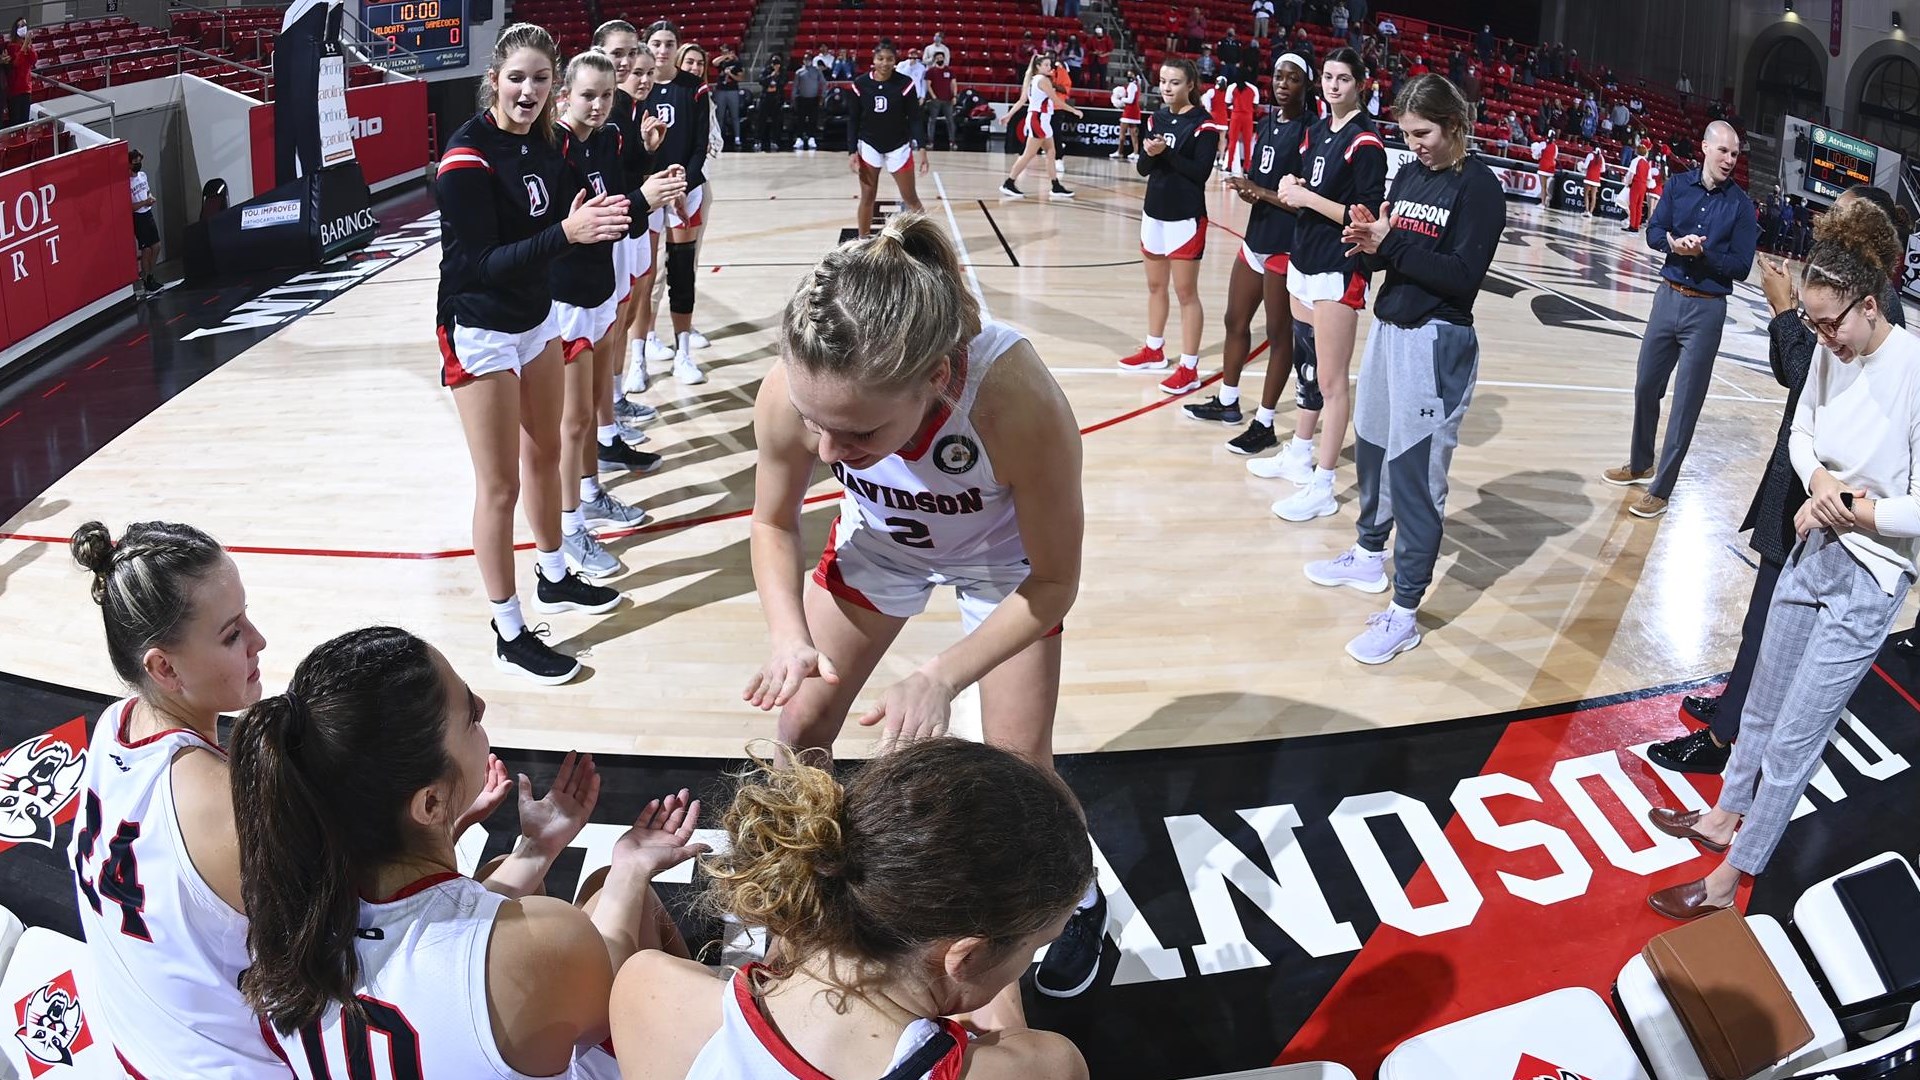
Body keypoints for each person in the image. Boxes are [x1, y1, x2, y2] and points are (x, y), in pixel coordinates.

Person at [229, 625, 707, 1072]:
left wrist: (537, 849)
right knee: (618, 903)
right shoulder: (535, 947)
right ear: (431, 802)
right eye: (469, 715)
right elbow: (619, 989)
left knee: (505, 870)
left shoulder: (285, 918)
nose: (482, 705)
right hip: (575, 989)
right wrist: (630, 869)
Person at [1645, 205, 1920, 920]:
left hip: (1872, 575)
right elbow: (1802, 431)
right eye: (1812, 324)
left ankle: (1728, 881)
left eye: (1832, 323)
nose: (1823, 338)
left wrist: (1852, 510)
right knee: (1762, 704)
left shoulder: (1915, 369)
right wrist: (1822, 483)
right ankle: (1723, 816)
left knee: (1797, 735)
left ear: (1870, 304)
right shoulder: (1831, 347)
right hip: (1814, 546)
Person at [611, 739, 1094, 1078]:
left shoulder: (649, 990)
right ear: (965, 957)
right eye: (1036, 945)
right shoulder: (1040, 1066)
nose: (1025, 965)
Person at [436, 22, 628, 684]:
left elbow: (575, 196)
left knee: (545, 454)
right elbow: (484, 263)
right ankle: (510, 629)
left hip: (536, 317)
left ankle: (553, 575)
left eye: (541, 79)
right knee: (500, 484)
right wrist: (567, 233)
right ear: (494, 80)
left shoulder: (548, 142)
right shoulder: (465, 159)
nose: (528, 89)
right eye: (517, 77)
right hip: (480, 324)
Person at [63, 521, 286, 1077]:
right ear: (163, 667)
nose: (259, 640)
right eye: (232, 634)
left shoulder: (115, 722)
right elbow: (347, 945)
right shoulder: (222, 800)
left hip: (136, 1045)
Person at [1301, 73, 1505, 664]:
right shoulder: (1413, 172)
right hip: (1392, 329)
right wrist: (1370, 238)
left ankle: (1406, 610)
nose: (1414, 144)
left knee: (1416, 477)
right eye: (1407, 133)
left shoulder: (1479, 187)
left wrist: (1389, 245)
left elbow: (1462, 277)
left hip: (1437, 344)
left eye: (1425, 133)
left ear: (1454, 125)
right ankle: (1368, 557)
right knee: (1371, 448)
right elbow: (1402, 253)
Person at [551, 47, 680, 585]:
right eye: (588, 95)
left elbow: (618, 222)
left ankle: (588, 496)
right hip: (562, 302)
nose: (599, 104)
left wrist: (646, 176)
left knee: (592, 410)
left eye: (606, 95)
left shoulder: (608, 140)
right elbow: (565, 226)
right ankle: (568, 529)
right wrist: (642, 197)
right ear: (565, 96)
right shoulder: (549, 148)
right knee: (572, 421)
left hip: (597, 289)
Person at [1603, 121, 1757, 519]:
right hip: (1667, 298)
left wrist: (1702, 255)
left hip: (1707, 310)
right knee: (1645, 386)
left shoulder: (1741, 206)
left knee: (1686, 404)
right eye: (1723, 151)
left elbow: (1740, 266)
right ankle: (1640, 463)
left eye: (1735, 154)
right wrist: (1675, 244)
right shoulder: (1676, 186)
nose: (1729, 160)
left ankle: (1662, 488)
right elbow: (1654, 231)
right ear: (1705, 147)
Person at [1267, 46, 1386, 521]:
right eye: (1328, 77)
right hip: (1305, 258)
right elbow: (1308, 191)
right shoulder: (1317, 130)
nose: (1333, 85)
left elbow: (1364, 221)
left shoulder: (1366, 143)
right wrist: (1295, 186)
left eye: (1343, 78)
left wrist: (1304, 196)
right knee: (1308, 366)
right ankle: (1299, 451)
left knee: (1334, 381)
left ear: (1361, 83)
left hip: (1339, 267)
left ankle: (1323, 483)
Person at [1186, 53, 1319, 465]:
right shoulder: (1267, 122)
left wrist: (1257, 192)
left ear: (1306, 86)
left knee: (1280, 338)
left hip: (1286, 246)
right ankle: (1228, 401)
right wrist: (1253, 191)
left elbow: (1305, 204)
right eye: (1278, 76)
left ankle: (1264, 424)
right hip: (1256, 237)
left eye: (1292, 79)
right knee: (1234, 320)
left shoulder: (1311, 132)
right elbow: (1264, 184)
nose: (1282, 83)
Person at [1117, 58, 1218, 389]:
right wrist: (1150, 152)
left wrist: (1166, 153)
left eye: (1174, 82)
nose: (1166, 87)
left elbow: (1199, 173)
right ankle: (1154, 350)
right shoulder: (1154, 118)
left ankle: (1189, 368)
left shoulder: (1204, 125)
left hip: (1185, 217)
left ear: (1190, 85)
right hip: (1153, 213)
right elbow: (1144, 169)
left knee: (1186, 293)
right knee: (1155, 287)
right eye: (1163, 81)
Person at [600, 24, 672, 406]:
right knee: (612, 322)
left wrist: (649, 152)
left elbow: (628, 170)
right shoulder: (605, 115)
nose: (630, 67)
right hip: (617, 228)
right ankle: (608, 409)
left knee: (625, 317)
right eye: (620, 56)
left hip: (634, 223)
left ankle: (614, 402)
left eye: (642, 66)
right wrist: (645, 193)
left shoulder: (632, 111)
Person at [646, 34, 713, 385]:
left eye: (668, 43)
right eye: (655, 43)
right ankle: (642, 352)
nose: (662, 50)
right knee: (647, 275)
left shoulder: (695, 89)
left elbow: (700, 144)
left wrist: (682, 183)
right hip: (648, 191)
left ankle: (682, 353)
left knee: (682, 269)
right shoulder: (636, 89)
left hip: (686, 188)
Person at [846, 40, 930, 237]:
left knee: (910, 198)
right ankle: (863, 241)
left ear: (895, 61)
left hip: (898, 146)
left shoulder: (905, 84)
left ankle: (928, 244)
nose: (885, 63)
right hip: (869, 146)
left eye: (889, 59)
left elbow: (915, 119)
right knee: (867, 196)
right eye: (880, 58)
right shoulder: (860, 84)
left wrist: (923, 149)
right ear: (873, 60)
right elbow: (853, 120)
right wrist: (851, 151)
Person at [1000, 53, 1080, 199]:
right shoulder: (1043, 80)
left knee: (1051, 153)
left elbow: (1021, 101)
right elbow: (1056, 100)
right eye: (1046, 65)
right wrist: (1074, 110)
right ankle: (1009, 183)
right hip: (1039, 120)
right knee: (1028, 154)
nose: (1050, 67)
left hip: (1042, 119)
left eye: (1050, 65)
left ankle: (1055, 186)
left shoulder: (1031, 80)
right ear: (1038, 67)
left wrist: (1008, 115)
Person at [129, 147, 162, 297]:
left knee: (156, 246)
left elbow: (148, 192)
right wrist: (144, 202)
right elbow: (131, 207)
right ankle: (146, 280)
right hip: (139, 217)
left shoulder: (142, 175)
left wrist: (150, 199)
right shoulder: (127, 183)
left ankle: (150, 274)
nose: (138, 164)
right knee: (146, 249)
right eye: (135, 162)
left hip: (147, 213)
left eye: (139, 161)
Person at [1223, 74, 1261, 177]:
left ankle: (1229, 165)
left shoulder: (1232, 87)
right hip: (1248, 117)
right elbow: (1256, 106)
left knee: (1232, 141)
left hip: (1235, 115)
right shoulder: (1253, 89)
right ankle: (1246, 168)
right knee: (1247, 143)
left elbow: (1227, 103)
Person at [712, 43, 745, 151]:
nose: (724, 53)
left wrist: (730, 74)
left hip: (732, 90)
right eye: (722, 51)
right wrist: (725, 57)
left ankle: (737, 137)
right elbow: (714, 62)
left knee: (735, 115)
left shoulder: (736, 63)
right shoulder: (721, 62)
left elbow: (740, 78)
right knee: (719, 116)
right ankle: (719, 137)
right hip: (721, 90)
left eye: (726, 51)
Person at [791, 50, 826, 149]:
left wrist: (823, 96)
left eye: (809, 59)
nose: (807, 61)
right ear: (803, 61)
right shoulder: (799, 72)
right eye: (806, 59)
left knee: (813, 119)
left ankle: (812, 137)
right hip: (802, 99)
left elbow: (824, 83)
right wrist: (793, 99)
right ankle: (799, 138)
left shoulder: (817, 71)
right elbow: (795, 86)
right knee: (800, 119)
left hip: (813, 99)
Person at [1110, 65, 1145, 161]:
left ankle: (1119, 152)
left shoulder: (1132, 85)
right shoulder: (1137, 83)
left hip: (1130, 111)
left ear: (1135, 75)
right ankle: (1135, 153)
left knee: (1122, 132)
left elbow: (1130, 100)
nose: (1129, 76)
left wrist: (1121, 99)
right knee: (1133, 133)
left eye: (1131, 74)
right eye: (1128, 74)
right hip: (1134, 111)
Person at [924, 53, 956, 149]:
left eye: (941, 58)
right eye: (937, 58)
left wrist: (954, 96)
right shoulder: (930, 71)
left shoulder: (949, 71)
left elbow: (953, 84)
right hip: (935, 101)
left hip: (948, 100)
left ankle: (952, 142)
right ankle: (930, 142)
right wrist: (933, 96)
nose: (939, 59)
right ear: (934, 60)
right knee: (932, 121)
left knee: (950, 121)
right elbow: (928, 85)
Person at [5, 19, 32, 127]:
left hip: (26, 87)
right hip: (15, 89)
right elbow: (16, 63)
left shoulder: (27, 44)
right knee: (15, 122)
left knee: (25, 120)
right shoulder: (11, 46)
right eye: (21, 26)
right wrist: (24, 45)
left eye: (25, 25)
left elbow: (33, 59)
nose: (23, 27)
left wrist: (28, 46)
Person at [1624, 149, 1651, 232]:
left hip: (1636, 183)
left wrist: (1628, 183)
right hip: (1643, 185)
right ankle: (1636, 226)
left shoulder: (1635, 161)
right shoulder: (1647, 163)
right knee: (1639, 206)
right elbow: (1649, 178)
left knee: (1633, 205)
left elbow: (1631, 174)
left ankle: (1632, 225)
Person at [1581, 143, 1604, 215]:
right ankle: (1591, 212)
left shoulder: (1590, 155)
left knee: (1586, 194)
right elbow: (1603, 170)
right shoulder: (1602, 157)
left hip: (1589, 177)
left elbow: (1585, 166)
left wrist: (1581, 165)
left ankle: (1586, 210)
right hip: (1596, 179)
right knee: (1594, 196)